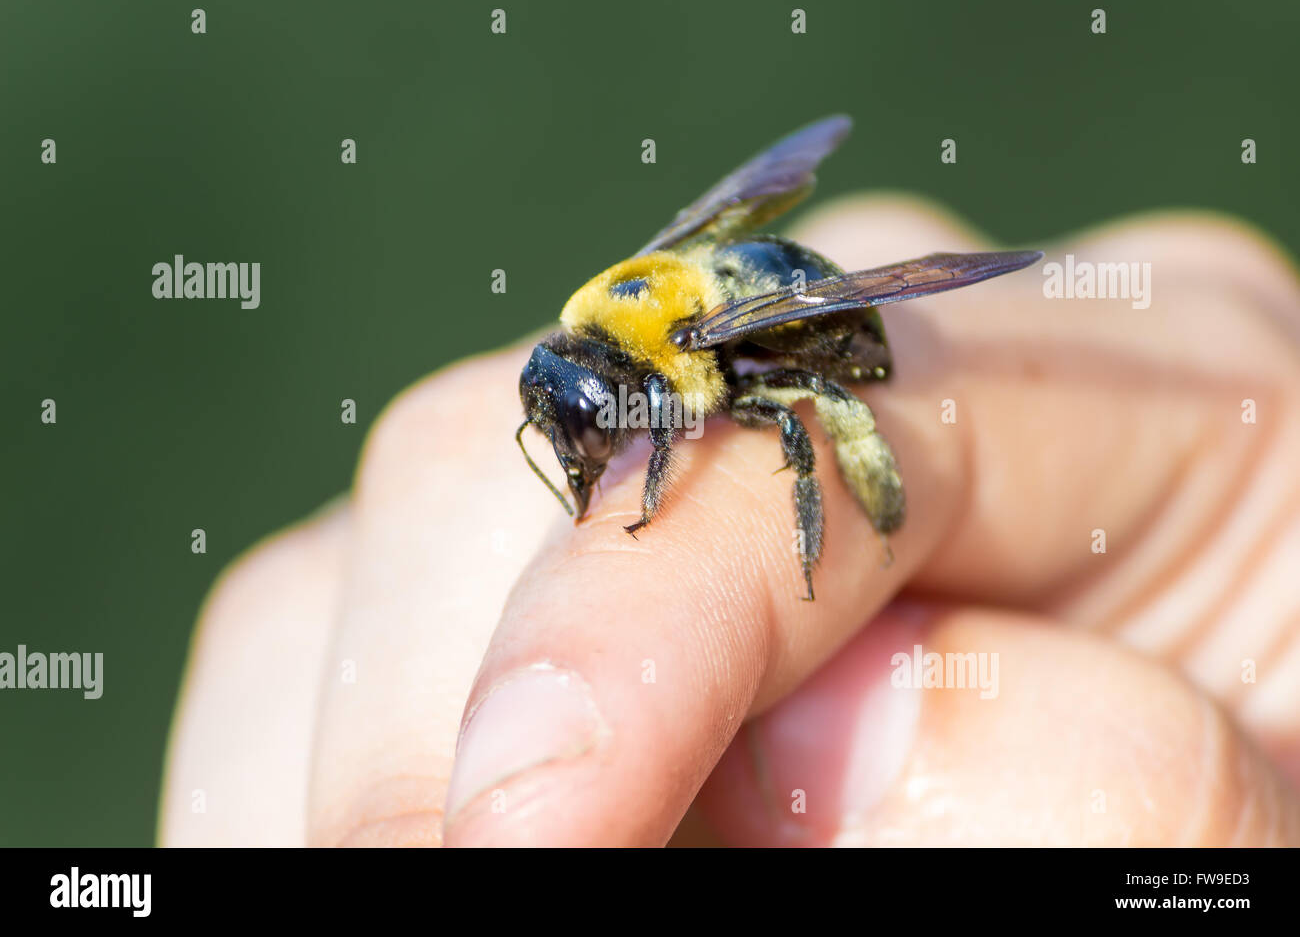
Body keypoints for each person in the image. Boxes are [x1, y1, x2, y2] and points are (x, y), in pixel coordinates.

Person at [160, 196, 1300, 846]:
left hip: (794, 313)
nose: (579, 445)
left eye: (592, 423)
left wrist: (654, 509)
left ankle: (822, 541)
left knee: (797, 421)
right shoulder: (606, 343)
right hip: (726, 298)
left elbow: (748, 414)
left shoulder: (690, 356)